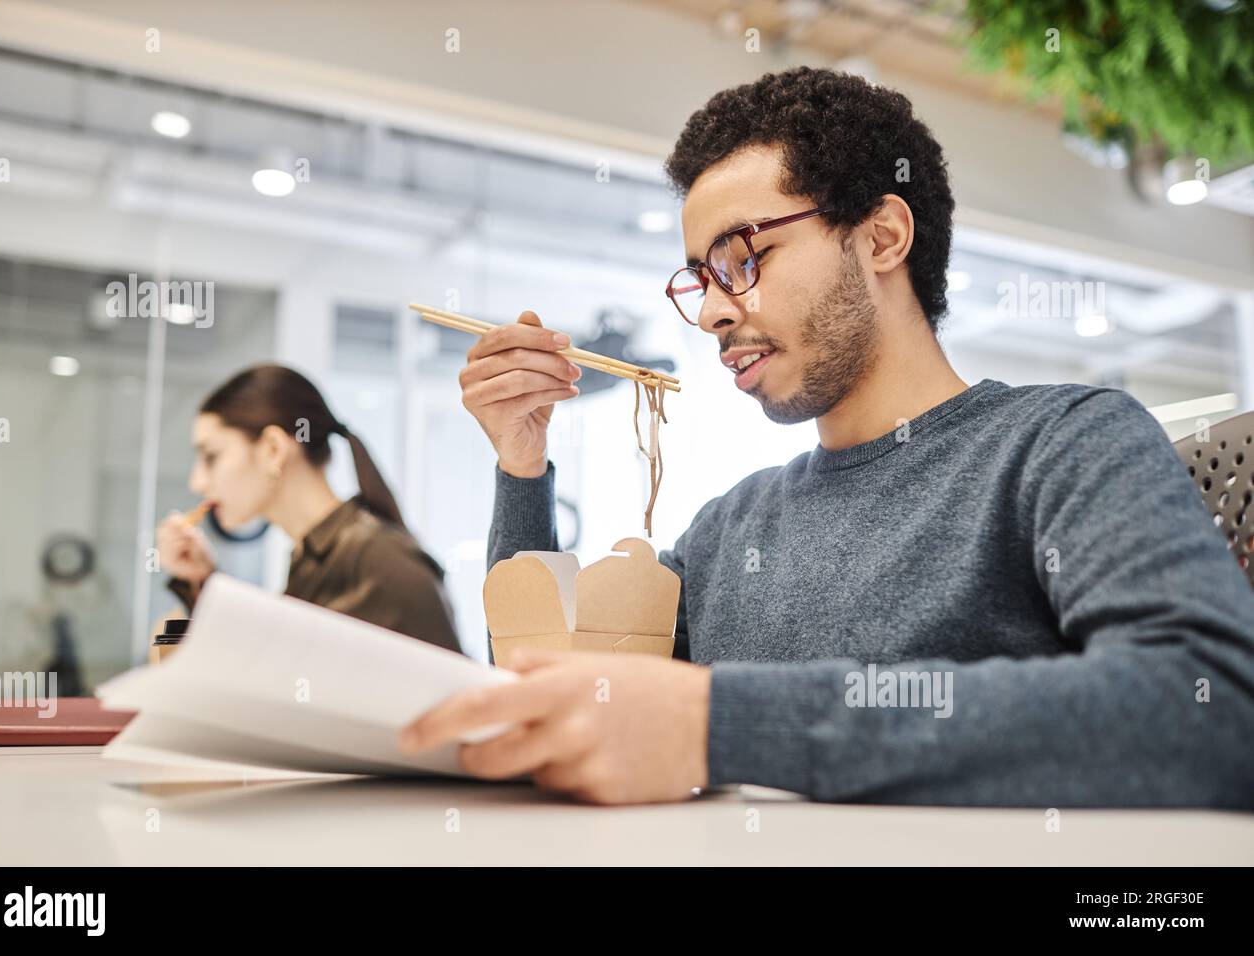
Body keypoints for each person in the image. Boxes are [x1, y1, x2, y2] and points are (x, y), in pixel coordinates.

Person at [398, 67, 1254, 807]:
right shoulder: (730, 531)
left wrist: (716, 724)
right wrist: (521, 458)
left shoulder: (1062, 445)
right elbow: (554, 701)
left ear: (881, 235)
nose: (712, 311)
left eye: (743, 257)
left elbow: (1206, 706)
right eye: (699, 278)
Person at [156, 364, 461, 653]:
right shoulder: (313, 560)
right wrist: (202, 580)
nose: (197, 482)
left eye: (211, 456)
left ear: (273, 449)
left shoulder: (380, 560)